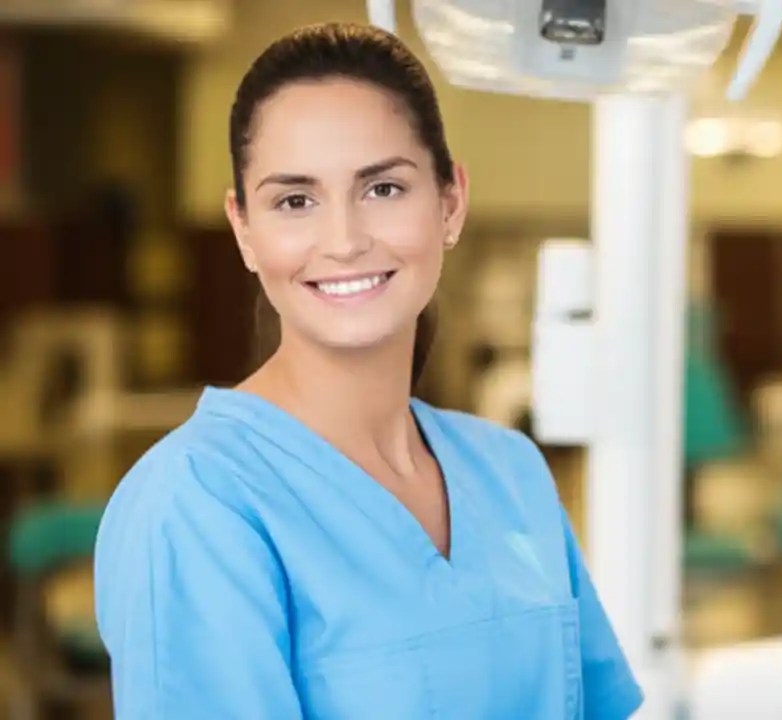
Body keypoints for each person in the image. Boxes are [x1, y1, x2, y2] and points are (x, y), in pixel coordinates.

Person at [93, 22, 643, 720]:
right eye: (295, 201)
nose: (346, 240)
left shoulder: (511, 473)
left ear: (450, 203)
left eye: (383, 189)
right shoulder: (196, 504)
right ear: (244, 230)